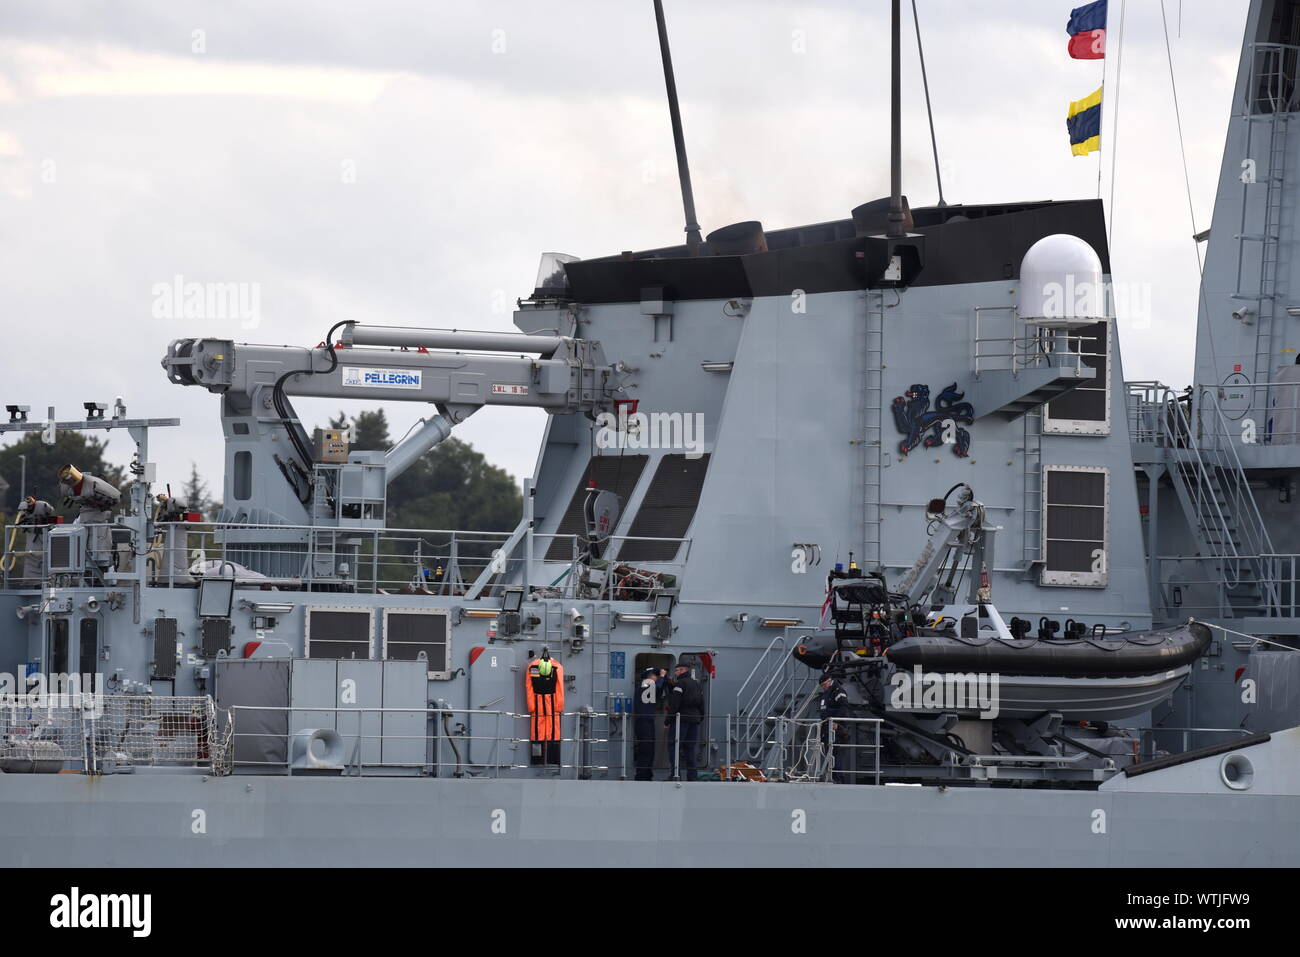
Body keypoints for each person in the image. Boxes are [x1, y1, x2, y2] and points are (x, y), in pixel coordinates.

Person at [664, 662, 705, 781]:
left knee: (674, 746)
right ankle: (692, 776)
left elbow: (674, 704)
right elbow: (702, 703)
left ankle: (675, 775)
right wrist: (700, 717)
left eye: (676, 671)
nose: (675, 673)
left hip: (681, 720)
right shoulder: (697, 684)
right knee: (690, 748)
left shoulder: (680, 684)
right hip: (694, 720)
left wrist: (667, 721)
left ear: (682, 670)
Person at [525, 650, 565, 766]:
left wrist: (531, 705)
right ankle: (551, 759)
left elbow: (529, 687)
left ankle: (538, 760)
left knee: (538, 731)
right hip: (551, 702)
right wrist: (559, 706)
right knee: (551, 731)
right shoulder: (557, 667)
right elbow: (560, 687)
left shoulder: (533, 666)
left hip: (539, 702)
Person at [632, 666, 666, 781]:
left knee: (650, 750)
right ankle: (641, 776)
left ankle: (647, 774)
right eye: (654, 675)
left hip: (647, 721)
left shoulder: (647, 686)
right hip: (643, 722)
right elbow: (656, 688)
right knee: (646, 750)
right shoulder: (645, 685)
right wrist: (662, 677)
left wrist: (663, 679)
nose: (656, 677)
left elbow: (658, 690)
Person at [819, 674, 850, 783]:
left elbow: (844, 708)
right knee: (829, 755)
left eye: (824, 684)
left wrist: (836, 722)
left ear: (829, 681)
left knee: (837, 756)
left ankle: (839, 780)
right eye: (822, 686)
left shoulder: (838, 691)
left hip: (838, 730)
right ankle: (831, 778)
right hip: (827, 729)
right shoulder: (826, 694)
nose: (824, 687)